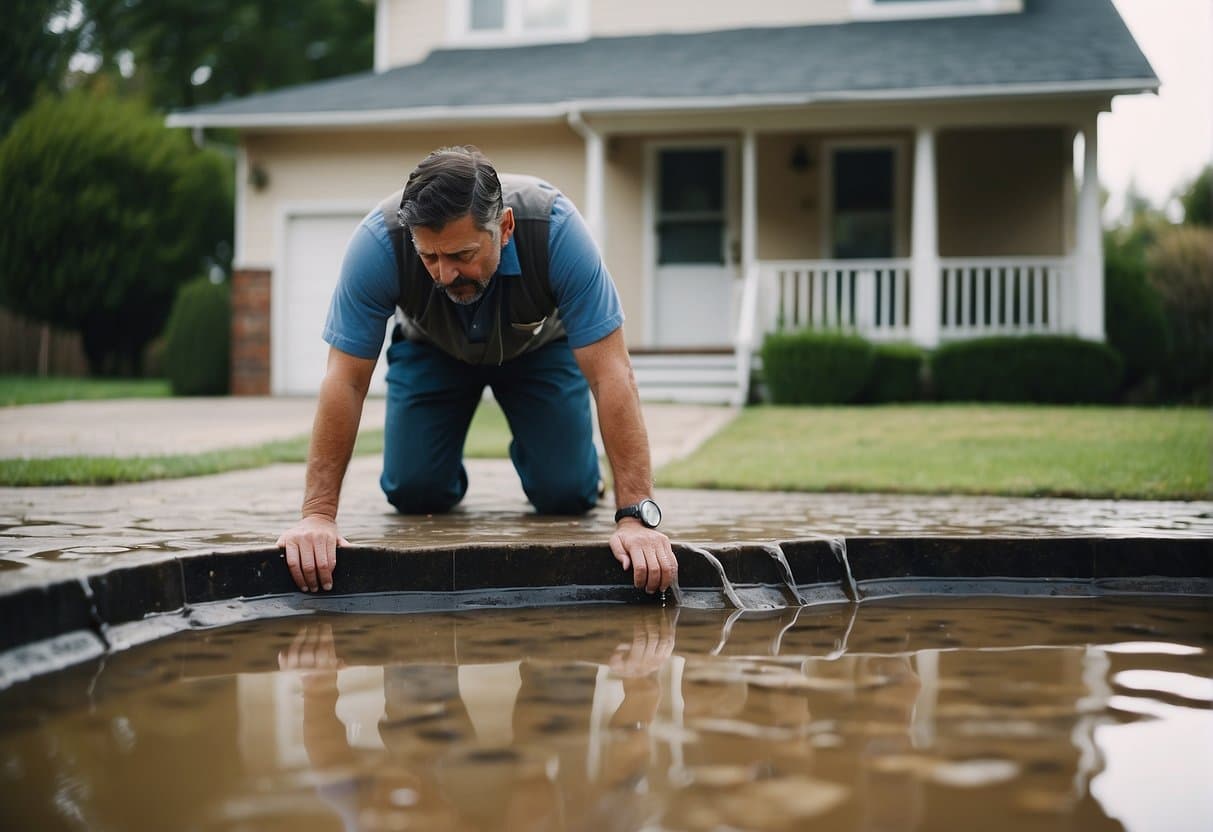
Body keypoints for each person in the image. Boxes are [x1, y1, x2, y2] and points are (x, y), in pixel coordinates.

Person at [277, 145, 676, 595]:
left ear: (504, 227)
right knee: (415, 492)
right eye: (430, 258)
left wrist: (636, 517)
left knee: (564, 494)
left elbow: (613, 374)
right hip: (432, 351)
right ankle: (437, 474)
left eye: (462, 255)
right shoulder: (378, 242)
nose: (445, 275)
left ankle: (570, 472)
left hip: (537, 351)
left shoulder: (557, 230)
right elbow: (345, 380)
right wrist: (317, 515)